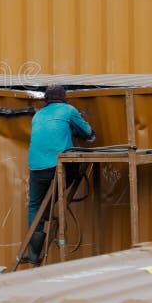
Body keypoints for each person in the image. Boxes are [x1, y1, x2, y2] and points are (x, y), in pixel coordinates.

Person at [24, 84, 95, 264]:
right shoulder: (68, 110)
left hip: (36, 167)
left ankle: (34, 251)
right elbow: (88, 133)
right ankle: (49, 208)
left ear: (46, 100)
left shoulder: (38, 115)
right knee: (73, 172)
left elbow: (50, 134)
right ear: (64, 98)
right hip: (57, 165)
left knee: (34, 205)